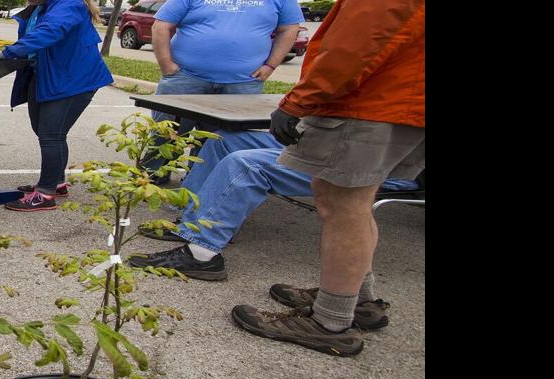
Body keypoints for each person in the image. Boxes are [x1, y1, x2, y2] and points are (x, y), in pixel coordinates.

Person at [229, 0, 424, 357]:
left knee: (341, 204)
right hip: (397, 95)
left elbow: (359, 41)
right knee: (355, 201)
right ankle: (357, 299)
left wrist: (300, 99)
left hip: (370, 100)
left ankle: (330, 321)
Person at [125, 127, 418, 330]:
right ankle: (193, 223)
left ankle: (202, 253)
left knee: (246, 165)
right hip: (341, 141)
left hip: (371, 156)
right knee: (223, 139)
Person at [143, 0, 302, 176]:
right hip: (185, 77)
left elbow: (289, 29)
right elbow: (161, 26)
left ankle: (199, 180)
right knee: (167, 131)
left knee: (222, 138)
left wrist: (270, 65)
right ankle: (151, 177)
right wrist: (166, 65)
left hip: (243, 82)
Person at [0, 0, 112, 211]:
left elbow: (50, 31)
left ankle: (45, 193)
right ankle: (57, 182)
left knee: (52, 135)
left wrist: (9, 52)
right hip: (48, 76)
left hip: (73, 80)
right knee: (45, 131)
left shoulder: (69, 5)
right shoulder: (42, 7)